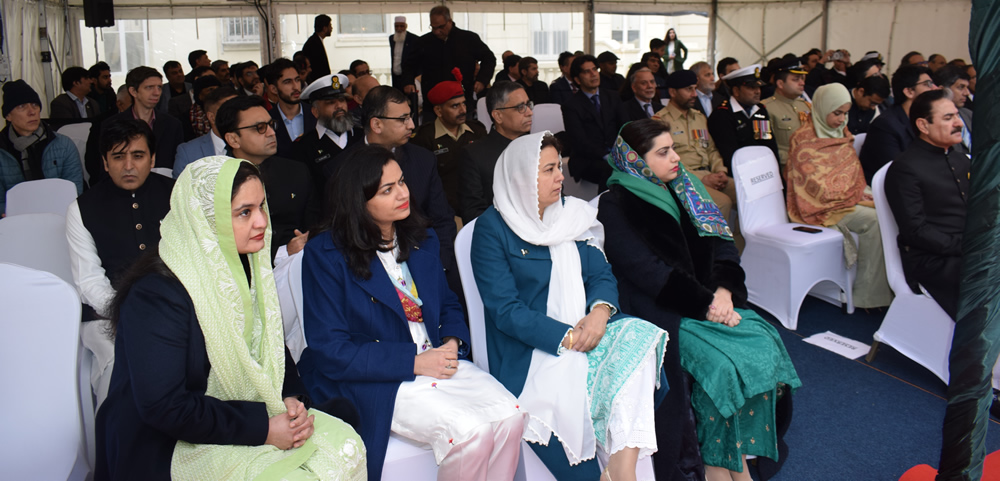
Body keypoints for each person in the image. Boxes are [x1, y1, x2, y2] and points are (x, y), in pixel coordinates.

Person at [95, 155, 366, 480]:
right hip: (165, 443)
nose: (262, 222)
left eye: (261, 206)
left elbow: (270, 348)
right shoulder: (157, 295)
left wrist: (290, 398)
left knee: (347, 446)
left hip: (245, 417)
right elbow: (163, 406)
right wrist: (263, 429)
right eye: (244, 213)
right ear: (207, 220)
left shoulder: (246, 268)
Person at [297, 145, 526, 480]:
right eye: (387, 190)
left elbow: (447, 303)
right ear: (358, 200)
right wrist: (415, 363)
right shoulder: (326, 254)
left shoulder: (420, 237)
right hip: (377, 378)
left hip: (435, 361)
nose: (403, 194)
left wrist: (451, 342)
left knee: (511, 417)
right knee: (471, 432)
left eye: (402, 182)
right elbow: (331, 350)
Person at [598, 119, 801, 481]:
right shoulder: (616, 204)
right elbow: (646, 270)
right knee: (721, 367)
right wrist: (707, 305)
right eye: (663, 152)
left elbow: (723, 243)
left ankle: (737, 453)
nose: (676, 158)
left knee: (766, 342)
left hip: (710, 299)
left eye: (673, 148)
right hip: (662, 309)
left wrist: (724, 290)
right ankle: (717, 463)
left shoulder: (686, 187)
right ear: (636, 160)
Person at [472, 131, 668, 480]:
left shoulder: (572, 216)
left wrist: (599, 313)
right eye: (548, 170)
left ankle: (621, 468)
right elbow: (505, 310)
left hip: (586, 327)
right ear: (520, 177)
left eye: (558, 167)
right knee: (603, 379)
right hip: (533, 349)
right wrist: (567, 337)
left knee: (642, 337)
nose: (560, 177)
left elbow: (601, 275)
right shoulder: (492, 229)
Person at [67, 119, 173, 410]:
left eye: (138, 156)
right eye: (118, 156)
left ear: (152, 158)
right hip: (107, 318)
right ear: (104, 162)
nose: (128, 165)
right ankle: (119, 449)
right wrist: (127, 312)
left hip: (173, 309)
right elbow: (89, 281)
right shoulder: (82, 208)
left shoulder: (177, 195)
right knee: (119, 364)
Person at [785, 83, 892, 308]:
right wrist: (858, 197)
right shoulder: (803, 139)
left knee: (887, 205)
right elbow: (814, 189)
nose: (843, 119)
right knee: (875, 220)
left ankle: (886, 287)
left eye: (846, 113)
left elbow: (851, 173)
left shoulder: (841, 133)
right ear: (822, 108)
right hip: (819, 208)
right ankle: (868, 297)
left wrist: (861, 194)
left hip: (846, 199)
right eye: (837, 113)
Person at [884, 89, 969, 319]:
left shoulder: (960, 159)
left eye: (957, 116)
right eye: (948, 118)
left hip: (967, 251)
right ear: (923, 125)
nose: (959, 123)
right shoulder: (905, 168)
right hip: (932, 260)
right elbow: (916, 231)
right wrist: (968, 247)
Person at [217, 96, 320, 257]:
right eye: (259, 128)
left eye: (271, 125)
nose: (271, 133)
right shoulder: (217, 181)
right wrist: (283, 252)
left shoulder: (296, 171)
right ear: (233, 139)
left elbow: (313, 227)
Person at [656, 70, 737, 221]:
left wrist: (720, 171)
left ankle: (741, 243)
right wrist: (702, 179)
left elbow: (711, 149)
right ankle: (716, 245)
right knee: (722, 203)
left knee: (747, 195)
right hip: (682, 180)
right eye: (688, 89)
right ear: (673, 92)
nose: (694, 94)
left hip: (709, 174)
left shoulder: (699, 117)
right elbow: (665, 162)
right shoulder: (660, 121)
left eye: (694, 88)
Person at [0, 80, 84, 214]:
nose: (31, 112)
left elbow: (74, 189)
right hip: (14, 220)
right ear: (8, 116)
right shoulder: (3, 150)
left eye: (35, 105)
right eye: (22, 106)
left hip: (59, 216)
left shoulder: (63, 144)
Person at [402, 6, 495, 123]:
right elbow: (408, 64)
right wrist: (408, 82)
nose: (437, 32)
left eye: (441, 27)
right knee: (431, 137)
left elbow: (489, 58)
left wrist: (482, 80)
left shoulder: (468, 39)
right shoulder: (423, 42)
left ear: (449, 21)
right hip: (433, 104)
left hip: (462, 100)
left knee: (464, 136)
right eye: (433, 27)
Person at [410, 71, 487, 213]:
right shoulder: (425, 137)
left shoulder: (477, 131)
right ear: (438, 111)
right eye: (455, 106)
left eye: (464, 104)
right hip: (444, 211)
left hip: (479, 207)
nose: (463, 110)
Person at [457, 81, 533, 223]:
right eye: (520, 107)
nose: (529, 112)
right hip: (500, 235)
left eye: (528, 105)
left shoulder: (538, 146)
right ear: (498, 116)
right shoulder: (474, 155)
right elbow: (473, 212)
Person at [859, 64, 936, 183]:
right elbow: (896, 172)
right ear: (909, 92)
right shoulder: (886, 125)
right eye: (927, 84)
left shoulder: (927, 121)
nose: (934, 88)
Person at [562, 54, 629, 188]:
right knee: (611, 171)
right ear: (577, 79)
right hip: (588, 160)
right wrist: (607, 156)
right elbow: (579, 141)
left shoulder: (613, 96)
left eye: (594, 69)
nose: (593, 74)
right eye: (587, 71)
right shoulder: (571, 105)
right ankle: (606, 207)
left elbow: (625, 127)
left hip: (616, 154)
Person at [104, 66, 184, 171]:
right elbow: (105, 167)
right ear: (133, 91)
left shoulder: (173, 124)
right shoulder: (111, 125)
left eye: (159, 87)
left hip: (165, 184)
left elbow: (178, 164)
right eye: (149, 87)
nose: (157, 92)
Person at [294, 74, 364, 188]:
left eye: (342, 100)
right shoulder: (304, 147)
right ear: (315, 111)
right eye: (331, 102)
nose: (339, 106)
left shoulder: (361, 136)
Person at [708, 64, 779, 171]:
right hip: (740, 173)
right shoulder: (722, 114)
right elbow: (729, 154)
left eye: (758, 87)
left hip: (765, 170)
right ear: (736, 91)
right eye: (751, 87)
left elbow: (769, 144)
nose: (758, 91)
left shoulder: (760, 110)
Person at [173, 86, 238, 178]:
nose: (237, 115)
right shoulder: (188, 153)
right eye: (229, 111)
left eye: (239, 109)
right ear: (212, 117)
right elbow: (180, 190)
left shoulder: (255, 143)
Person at [761, 58, 812, 168]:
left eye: (802, 78)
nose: (802, 83)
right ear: (780, 83)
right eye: (796, 79)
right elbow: (764, 146)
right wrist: (797, 157)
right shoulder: (764, 109)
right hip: (784, 169)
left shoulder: (806, 105)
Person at [266, 58, 316, 158]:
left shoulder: (315, 113)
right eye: (287, 82)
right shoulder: (267, 120)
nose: (295, 87)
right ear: (274, 89)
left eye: (297, 80)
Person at [389, 15, 420, 109]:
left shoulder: (414, 39)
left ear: (406, 26)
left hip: (408, 78)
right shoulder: (392, 38)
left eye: (401, 26)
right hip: (396, 77)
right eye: (396, 26)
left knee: (410, 103)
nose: (399, 29)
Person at [303, 15, 333, 83]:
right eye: (330, 25)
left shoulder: (315, 41)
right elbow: (318, 68)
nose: (331, 28)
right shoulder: (313, 43)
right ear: (324, 28)